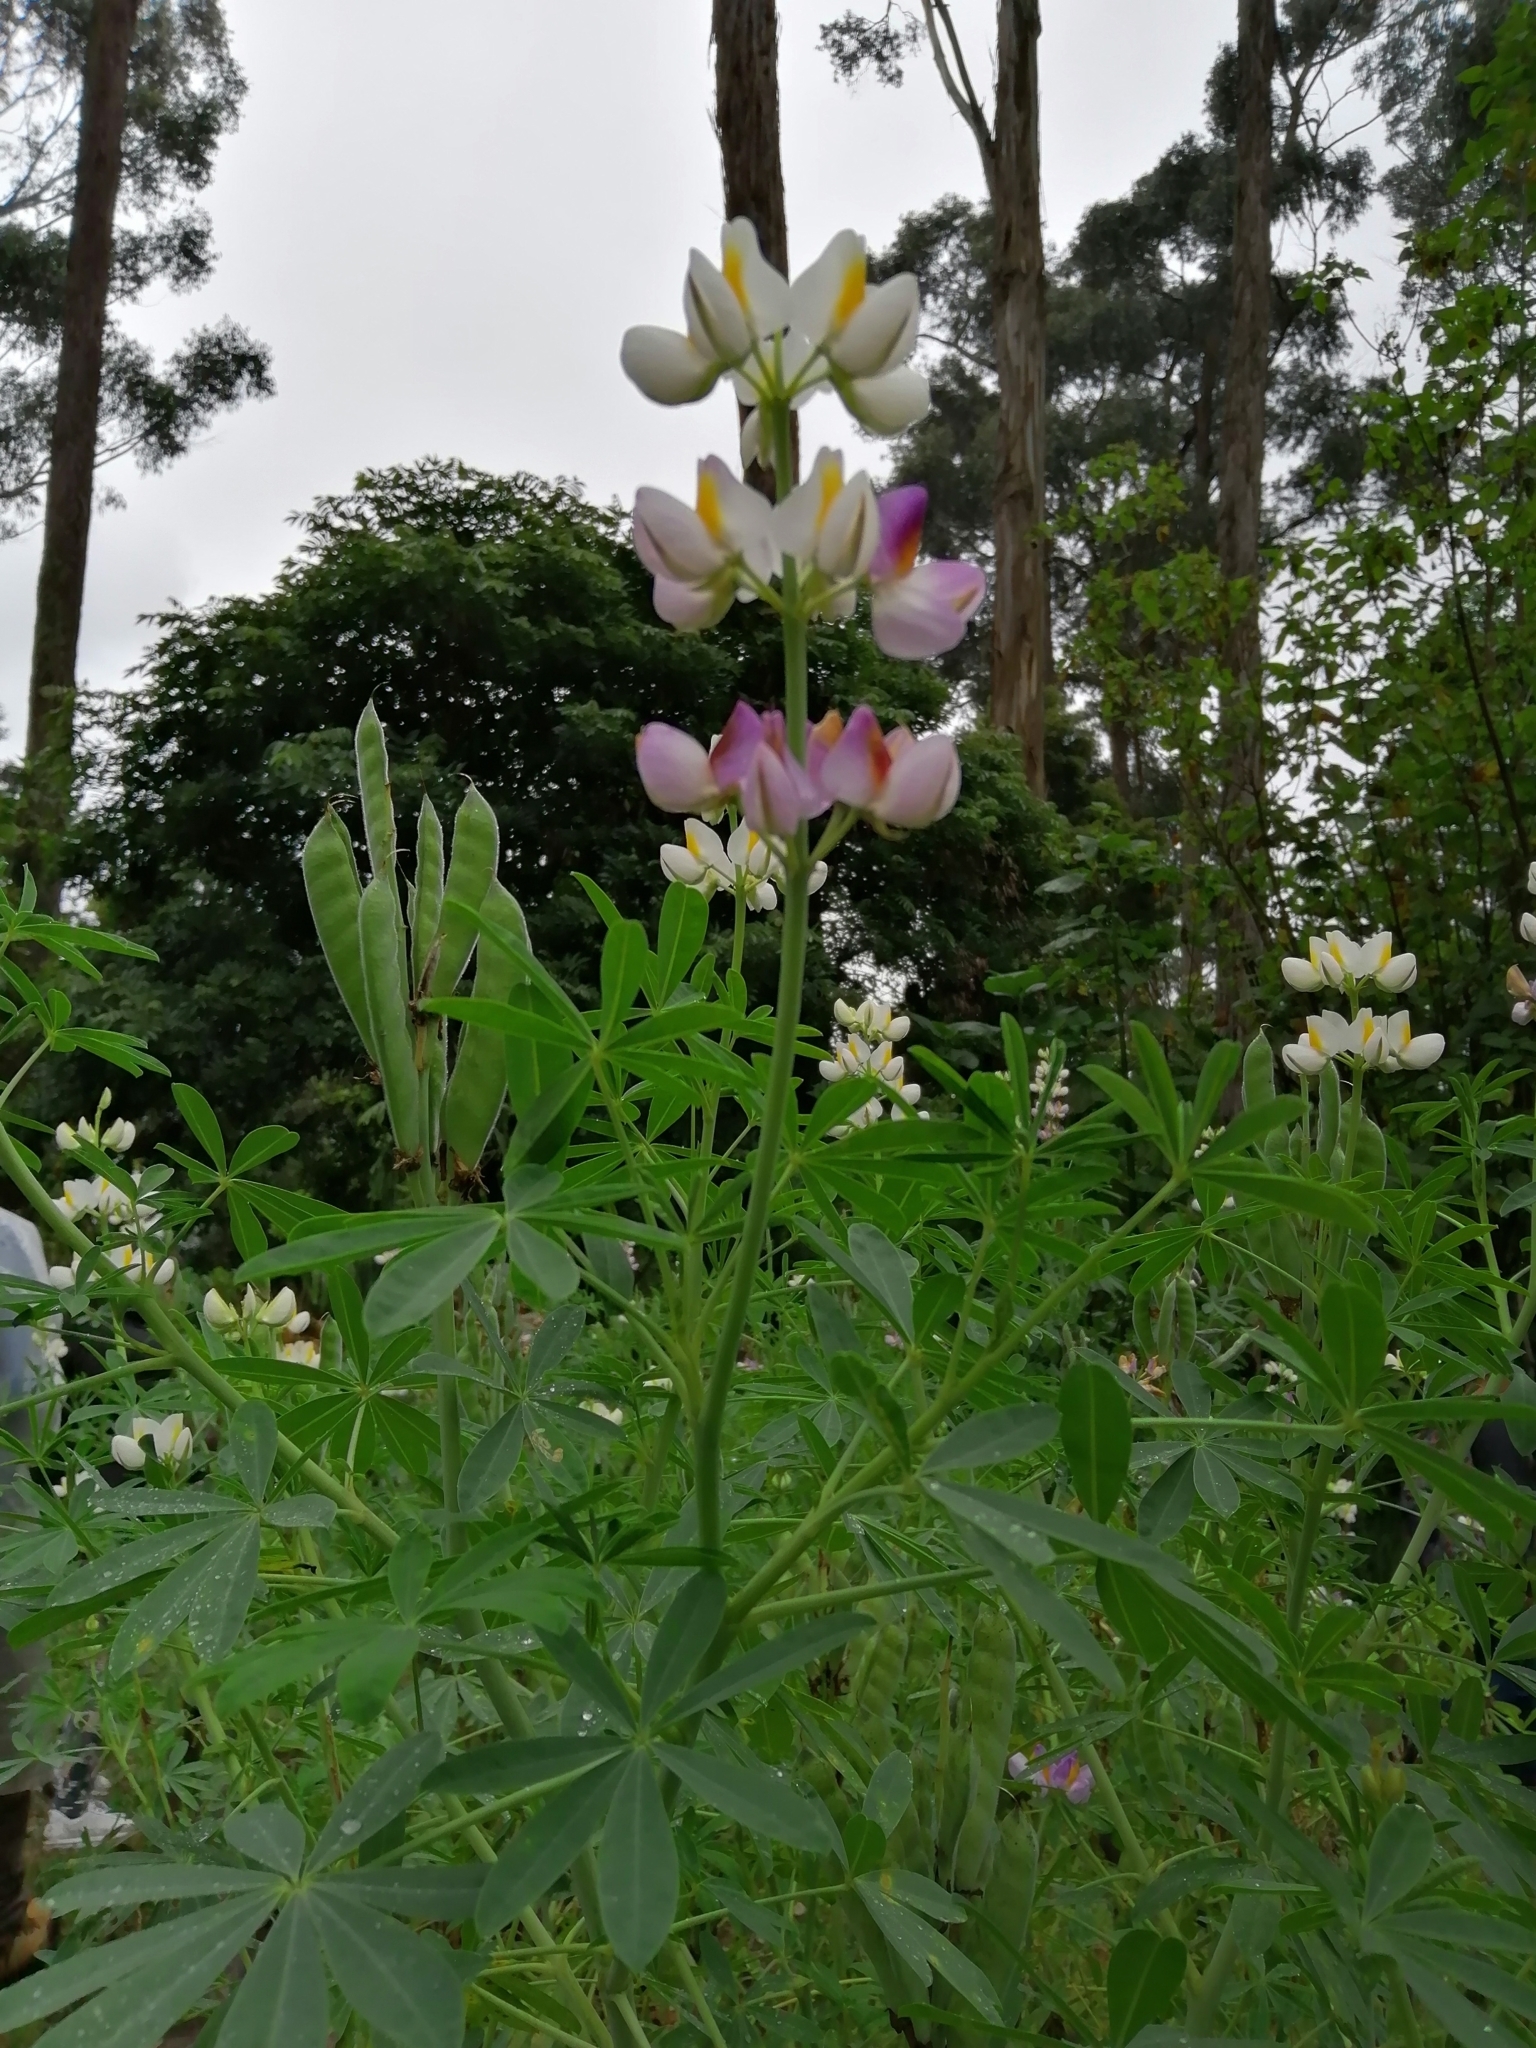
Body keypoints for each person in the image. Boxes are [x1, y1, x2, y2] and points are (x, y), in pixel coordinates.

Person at [0, 1207, 55, 1979]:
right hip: (7, 1529)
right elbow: (40, 1410)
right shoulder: (11, 1237)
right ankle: (7, 1927)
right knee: (6, 1738)